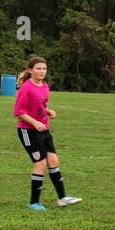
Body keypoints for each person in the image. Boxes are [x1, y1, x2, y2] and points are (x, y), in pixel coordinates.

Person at [13, 55, 82, 210]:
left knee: (54, 161)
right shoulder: (26, 88)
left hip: (43, 129)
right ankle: (33, 202)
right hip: (28, 131)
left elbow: (39, 106)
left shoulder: (44, 86)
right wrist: (35, 122)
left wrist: (47, 111)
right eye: (38, 68)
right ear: (30, 70)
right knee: (40, 163)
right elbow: (19, 111)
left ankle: (62, 198)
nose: (42, 71)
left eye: (44, 68)